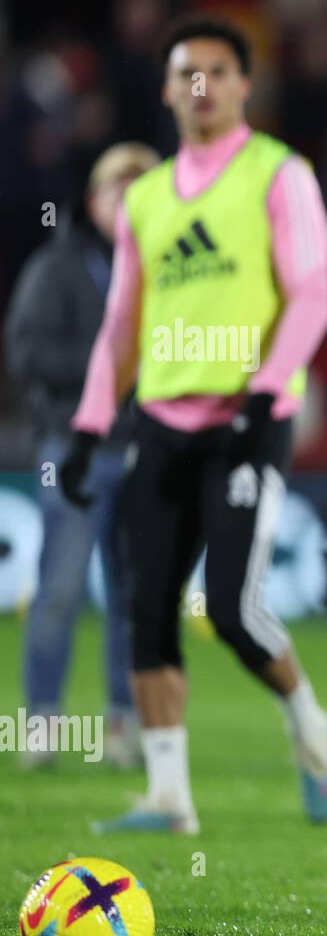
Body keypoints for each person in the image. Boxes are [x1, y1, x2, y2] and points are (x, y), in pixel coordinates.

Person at [65, 14, 327, 834]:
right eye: (186, 71)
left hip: (244, 425)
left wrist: (264, 392)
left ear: (243, 85)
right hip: (159, 423)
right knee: (147, 607)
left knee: (228, 608)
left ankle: (308, 721)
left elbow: (312, 292)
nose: (201, 85)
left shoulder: (277, 174)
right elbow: (122, 324)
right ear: (166, 89)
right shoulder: (145, 198)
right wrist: (89, 425)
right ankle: (167, 796)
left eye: (217, 71)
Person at [5, 142, 159, 769]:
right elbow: (26, 354)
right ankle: (43, 722)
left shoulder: (166, 274)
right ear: (93, 199)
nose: (128, 207)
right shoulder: (58, 266)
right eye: (118, 193)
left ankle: (125, 727)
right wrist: (113, 373)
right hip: (74, 448)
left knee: (133, 596)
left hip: (145, 453)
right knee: (61, 588)